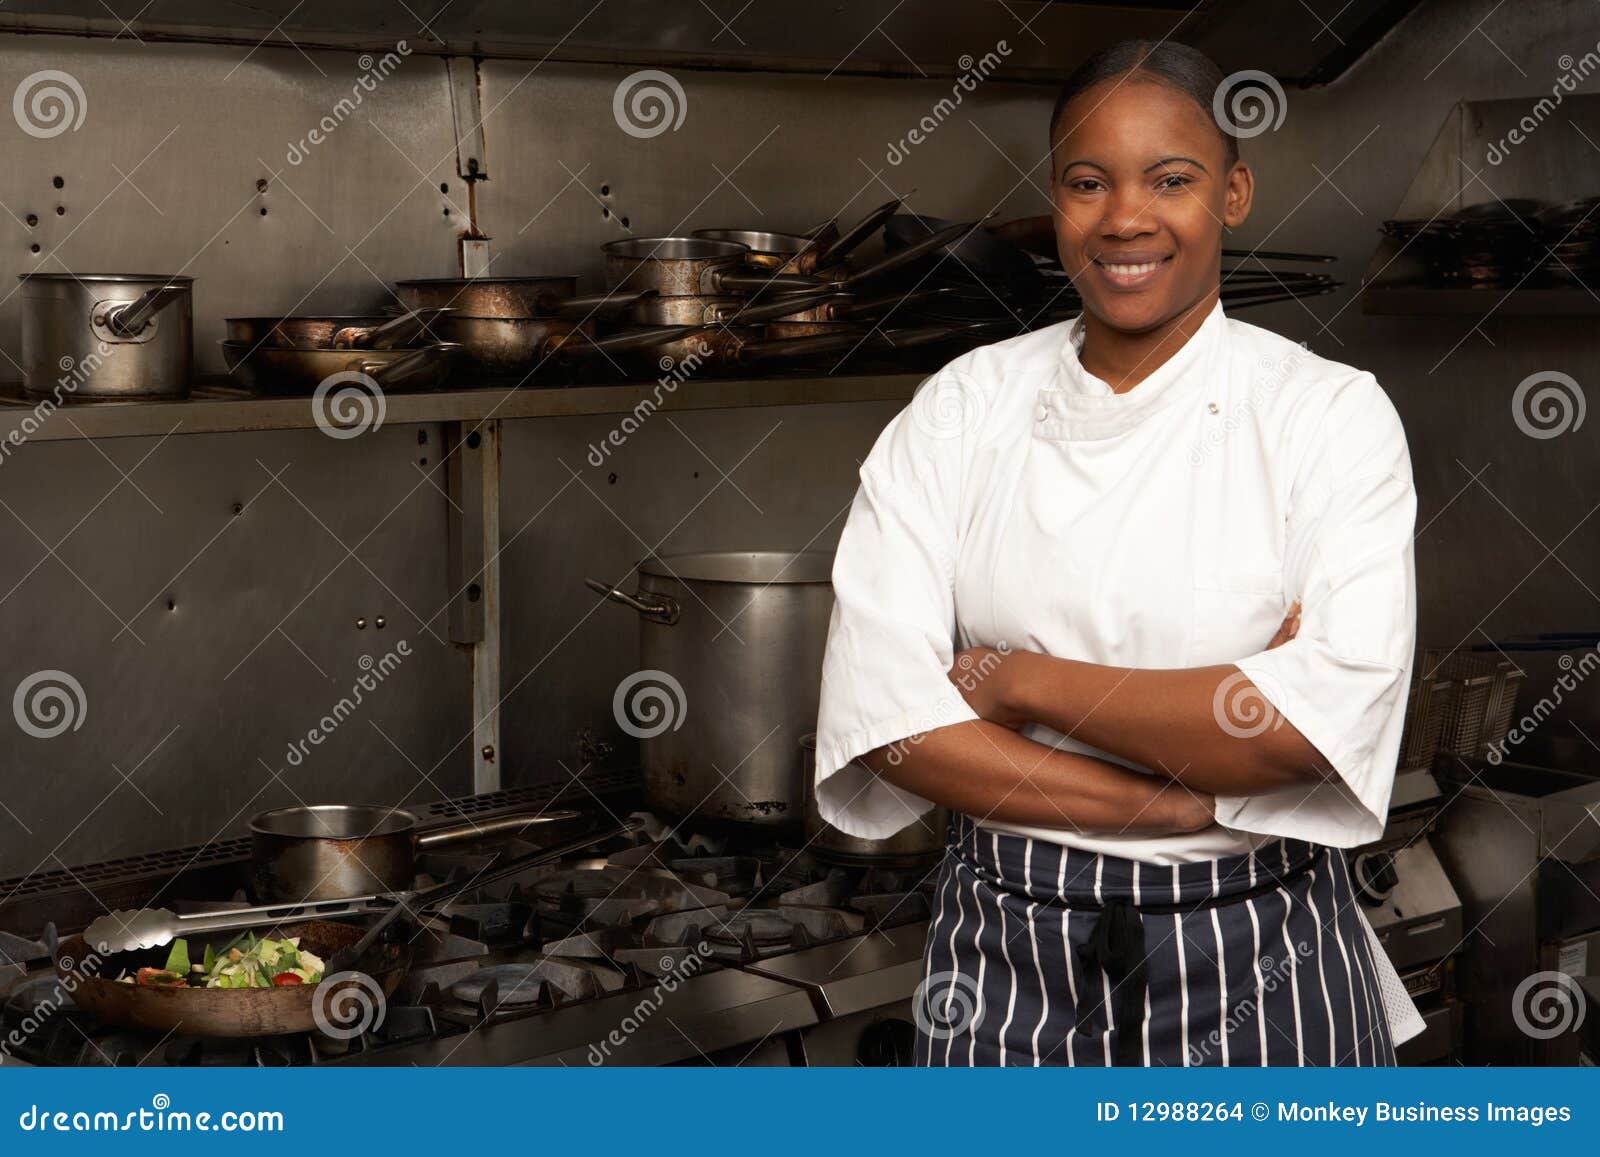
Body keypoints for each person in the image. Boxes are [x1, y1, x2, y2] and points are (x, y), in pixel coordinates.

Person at [812, 38, 1425, 1066]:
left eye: (1170, 179)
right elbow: (893, 727)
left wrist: (1017, 680)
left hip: (1258, 952)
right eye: (1086, 183)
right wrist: (1189, 792)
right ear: (1054, 201)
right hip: (1002, 958)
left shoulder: (1326, 414)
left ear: (1231, 194)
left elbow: (1302, 732)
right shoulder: (964, 405)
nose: (1125, 218)